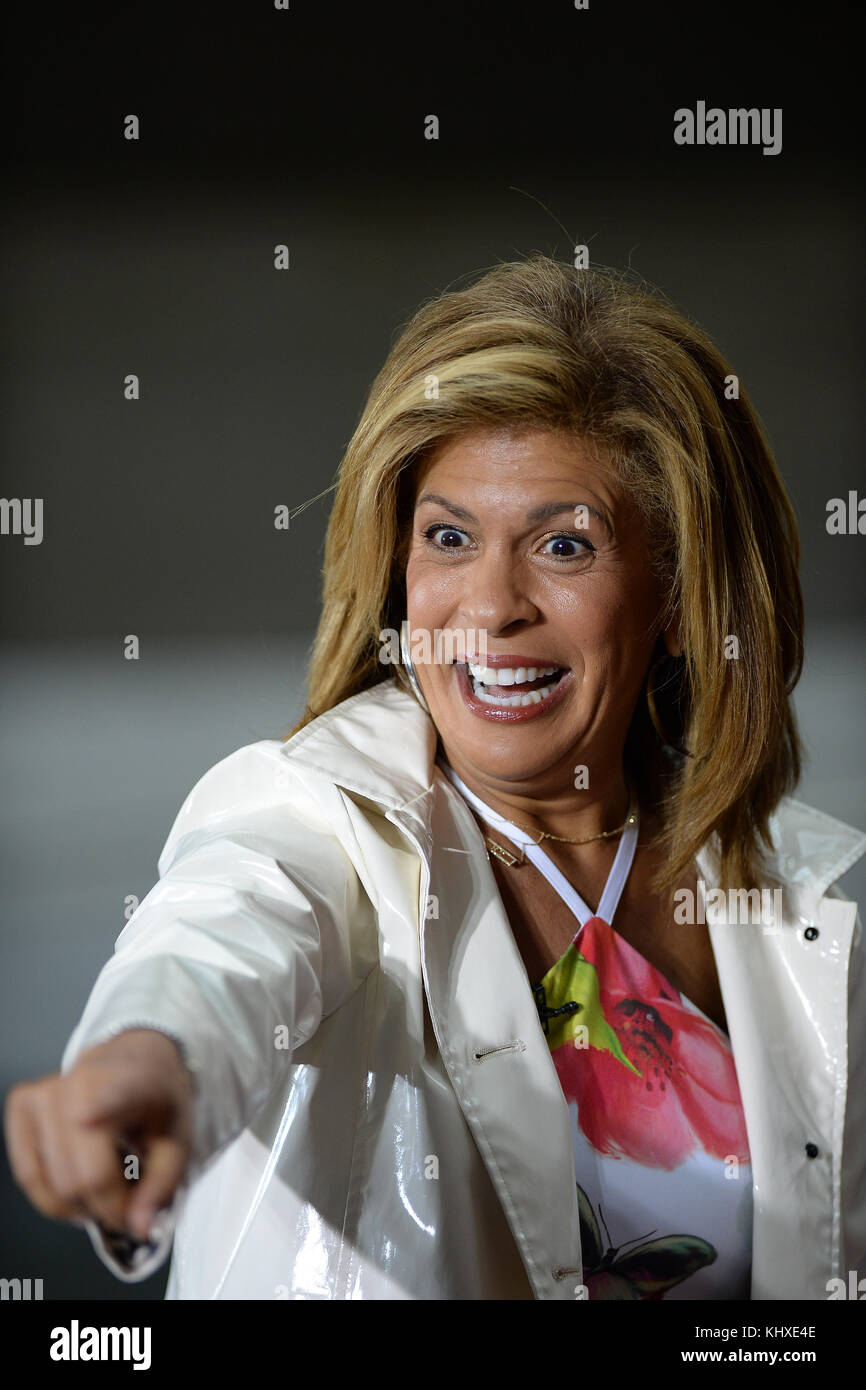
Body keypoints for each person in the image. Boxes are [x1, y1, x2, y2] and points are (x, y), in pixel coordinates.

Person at [5, 255, 865, 1300]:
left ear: (679, 599)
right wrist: (146, 1062)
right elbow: (218, 939)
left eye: (562, 544)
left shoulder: (778, 895)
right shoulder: (317, 818)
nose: (489, 606)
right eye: (447, 536)